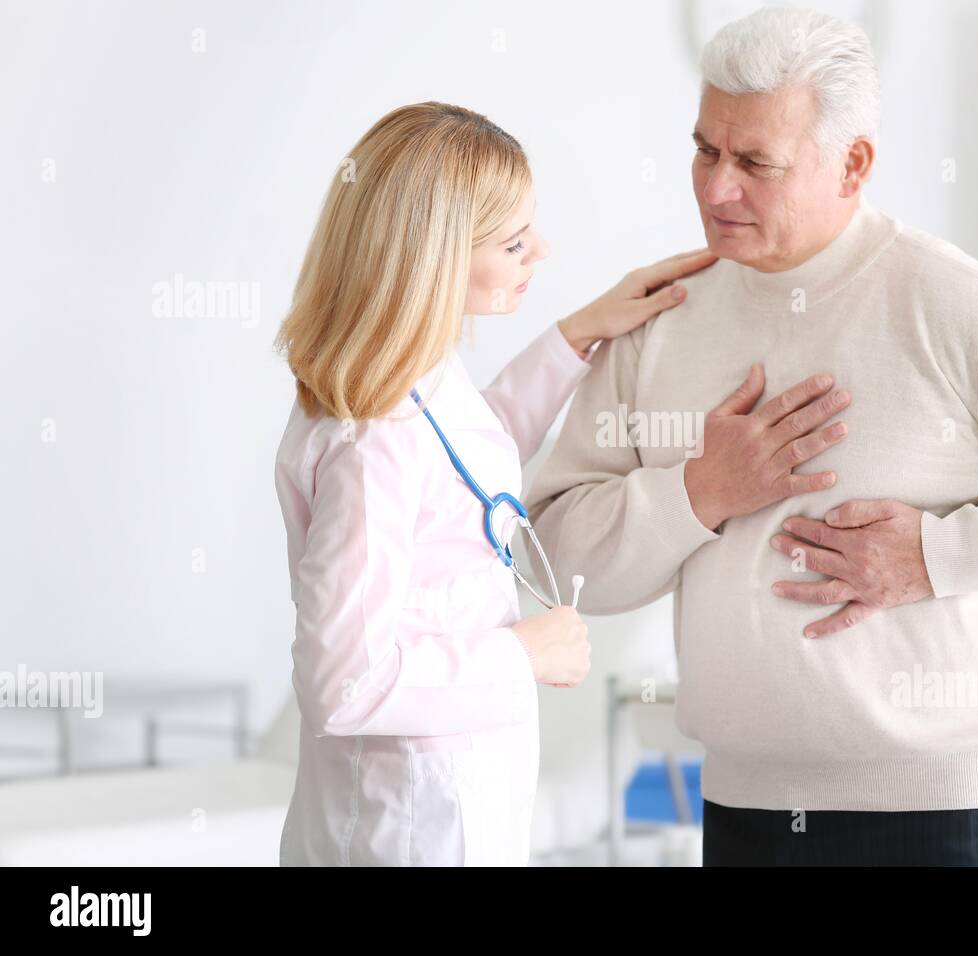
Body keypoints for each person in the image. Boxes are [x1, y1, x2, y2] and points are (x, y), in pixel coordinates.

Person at [526, 7, 978, 866]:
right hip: (744, 810)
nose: (714, 188)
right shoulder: (659, 319)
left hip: (953, 814)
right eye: (705, 149)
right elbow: (552, 558)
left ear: (853, 164)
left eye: (754, 163)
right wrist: (696, 495)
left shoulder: (962, 304)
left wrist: (936, 554)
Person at [272, 101, 715, 866]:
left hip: (451, 803)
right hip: (405, 827)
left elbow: (466, 466)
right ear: (435, 258)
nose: (539, 250)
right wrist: (524, 656)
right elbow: (341, 683)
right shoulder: (373, 442)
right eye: (514, 241)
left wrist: (580, 333)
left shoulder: (410, 385)